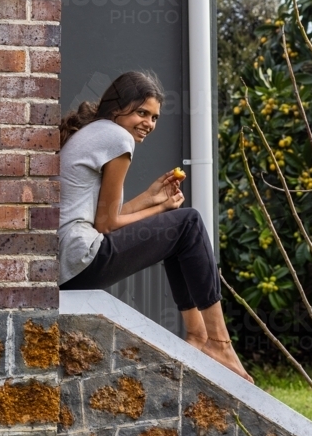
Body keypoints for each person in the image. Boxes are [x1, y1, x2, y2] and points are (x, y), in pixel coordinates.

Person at [58, 71, 252, 383]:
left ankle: (199, 337)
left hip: (69, 261)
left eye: (154, 117)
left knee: (179, 232)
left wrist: (151, 199)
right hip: (80, 258)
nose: (149, 123)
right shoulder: (116, 138)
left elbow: (102, 219)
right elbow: (107, 226)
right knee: (188, 223)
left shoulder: (96, 132)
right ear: (117, 107)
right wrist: (161, 208)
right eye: (141, 112)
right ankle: (217, 341)